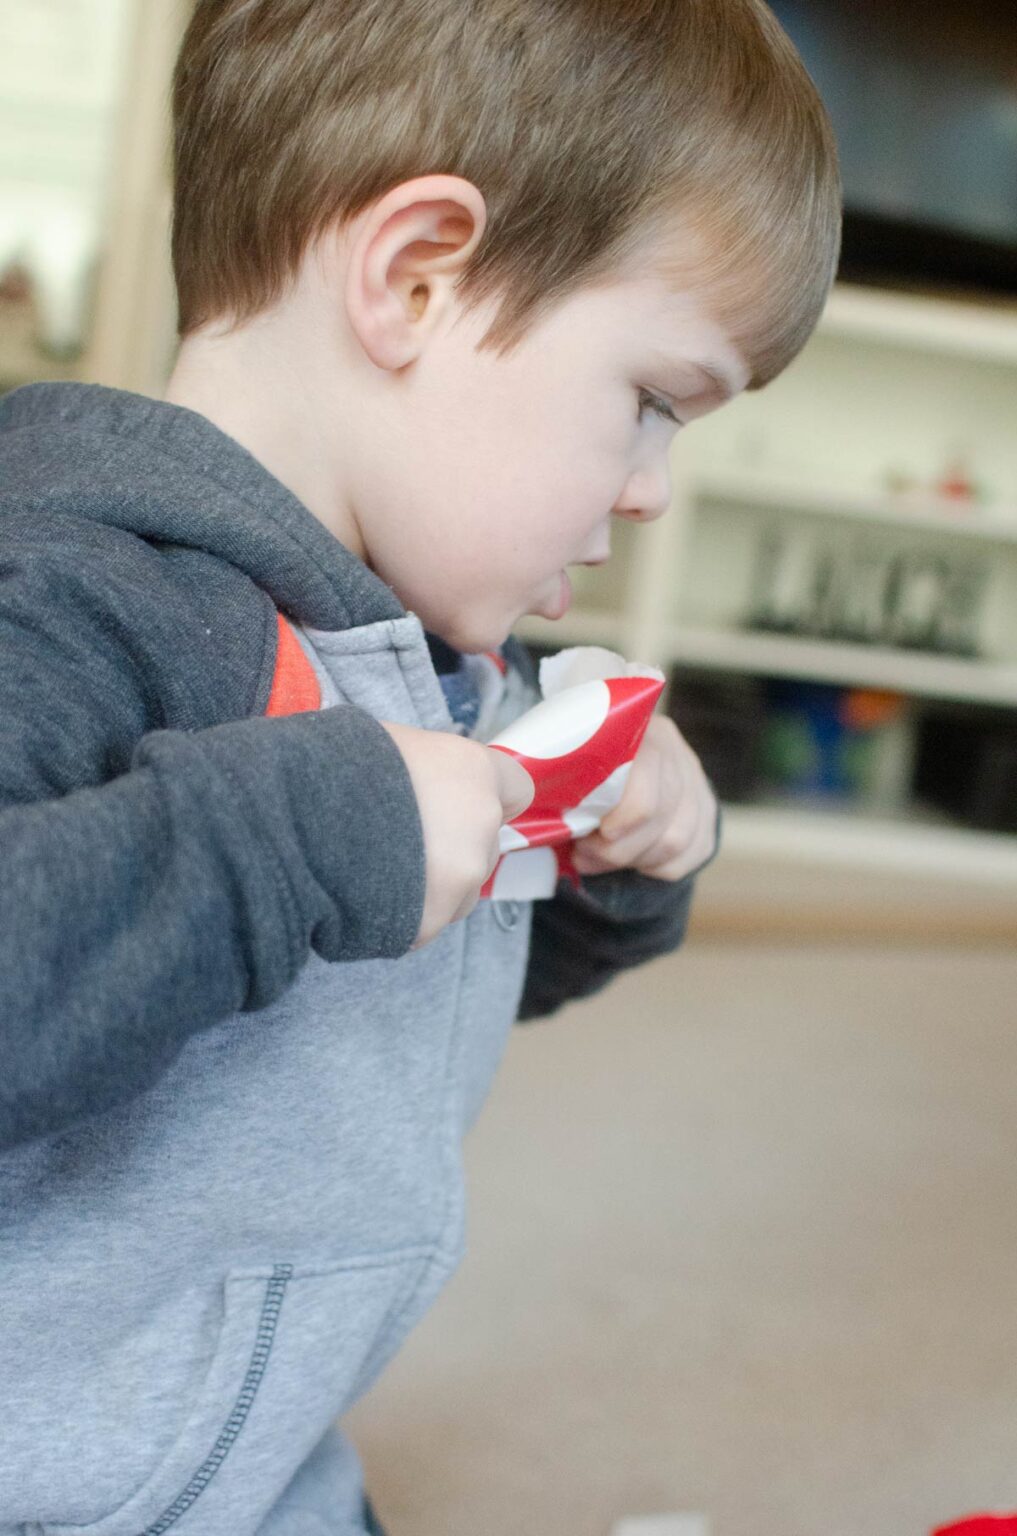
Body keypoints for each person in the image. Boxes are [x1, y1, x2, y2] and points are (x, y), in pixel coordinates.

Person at [0, 0, 840, 1531]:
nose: (651, 492)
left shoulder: (440, 661)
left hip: (266, 1479)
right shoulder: (72, 597)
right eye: (651, 401)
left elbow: (397, 999)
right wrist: (290, 842)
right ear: (416, 274)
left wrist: (606, 870)